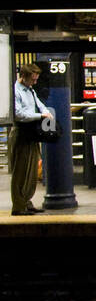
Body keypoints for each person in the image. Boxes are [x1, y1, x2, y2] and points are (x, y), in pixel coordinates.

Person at [9, 62, 51, 216]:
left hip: (31, 133)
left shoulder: (30, 90)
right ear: (24, 76)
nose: (35, 82)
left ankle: (27, 202)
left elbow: (39, 104)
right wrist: (41, 115)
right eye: (33, 79)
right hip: (21, 133)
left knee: (32, 170)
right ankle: (18, 207)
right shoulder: (15, 91)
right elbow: (19, 114)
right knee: (20, 171)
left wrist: (46, 111)